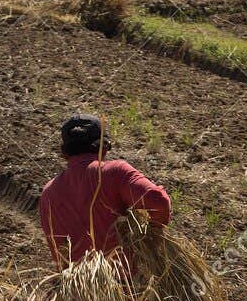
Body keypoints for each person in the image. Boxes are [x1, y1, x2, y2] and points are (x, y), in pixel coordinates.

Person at [39, 114, 171, 269]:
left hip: (78, 289)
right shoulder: (115, 172)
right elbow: (158, 201)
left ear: (64, 152)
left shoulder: (48, 193)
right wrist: (151, 235)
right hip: (127, 286)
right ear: (104, 146)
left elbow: (59, 256)